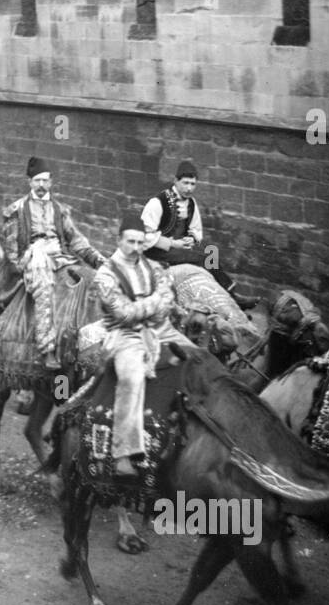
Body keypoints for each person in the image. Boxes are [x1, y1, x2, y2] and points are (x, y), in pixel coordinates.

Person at [95, 219, 194, 477]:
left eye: (140, 242)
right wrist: (155, 301)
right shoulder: (106, 274)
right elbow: (124, 314)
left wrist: (154, 304)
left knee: (198, 358)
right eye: (130, 241)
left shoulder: (150, 266)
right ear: (118, 240)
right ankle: (123, 453)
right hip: (123, 335)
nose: (136, 247)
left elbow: (168, 299)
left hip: (158, 330)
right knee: (131, 377)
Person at [1, 157, 106, 369]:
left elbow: (75, 239)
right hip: (33, 256)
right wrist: (20, 268)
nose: (41, 185)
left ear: (51, 182)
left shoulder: (60, 209)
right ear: (29, 182)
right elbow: (12, 248)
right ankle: (46, 347)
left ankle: (90, 343)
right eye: (37, 180)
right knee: (44, 284)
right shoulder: (17, 209)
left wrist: (98, 260)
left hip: (60, 256)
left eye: (45, 181)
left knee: (92, 282)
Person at [142, 160, 258, 309]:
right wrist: (171, 243)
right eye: (185, 183)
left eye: (193, 184)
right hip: (158, 251)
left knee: (212, 252)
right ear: (175, 181)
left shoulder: (191, 203)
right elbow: (144, 235)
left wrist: (191, 238)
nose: (189, 188)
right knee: (204, 261)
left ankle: (229, 293)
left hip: (179, 248)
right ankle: (232, 298)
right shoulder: (158, 203)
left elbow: (196, 230)